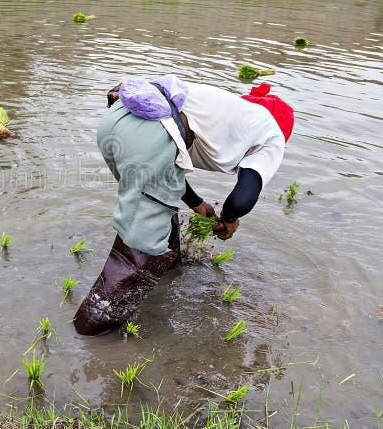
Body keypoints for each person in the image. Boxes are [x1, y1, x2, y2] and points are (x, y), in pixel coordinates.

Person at [73, 76, 294, 336]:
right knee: (142, 242)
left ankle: (169, 271)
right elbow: (243, 198)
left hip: (115, 121)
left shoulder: (225, 107)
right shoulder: (273, 135)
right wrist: (230, 217)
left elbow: (166, 171)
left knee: (155, 205)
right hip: (149, 137)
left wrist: (198, 204)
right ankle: (92, 327)